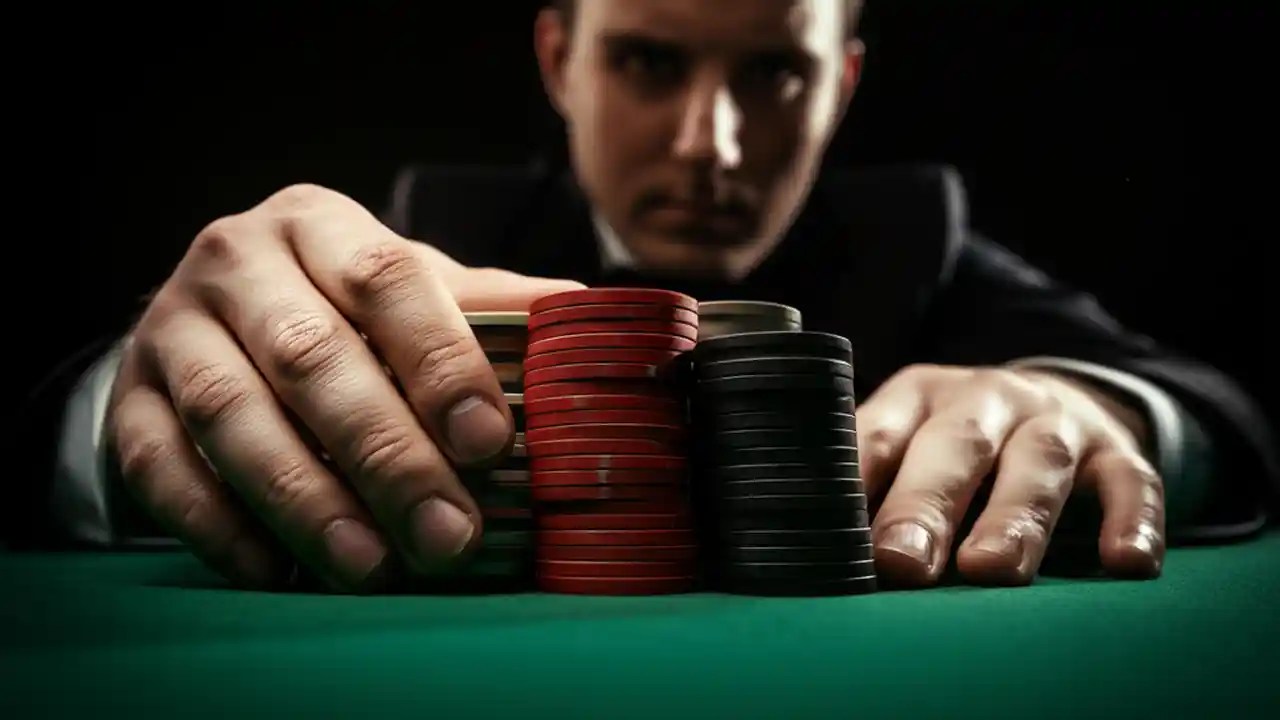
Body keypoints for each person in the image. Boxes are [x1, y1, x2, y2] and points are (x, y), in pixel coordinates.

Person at [13, 0, 1277, 595]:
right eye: (650, 62)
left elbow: (1209, 405)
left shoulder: (919, 243)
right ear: (561, 60)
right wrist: (130, 397)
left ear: (839, 86)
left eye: (773, 77)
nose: (709, 147)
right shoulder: (420, 237)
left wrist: (1085, 403)